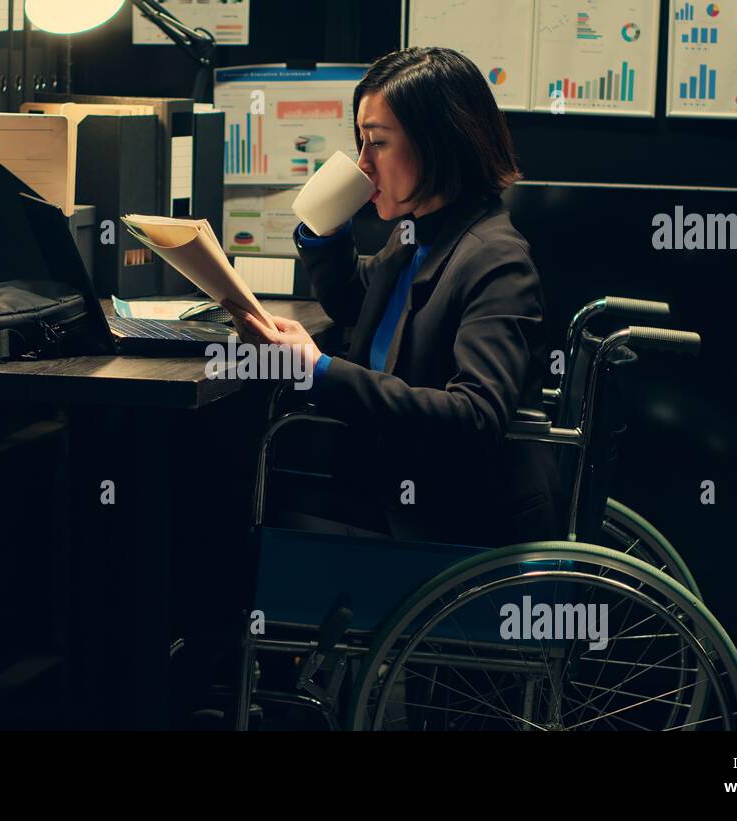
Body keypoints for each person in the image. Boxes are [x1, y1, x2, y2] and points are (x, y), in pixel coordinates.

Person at [223, 46, 563, 548]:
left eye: (377, 143)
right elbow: (357, 300)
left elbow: (475, 417)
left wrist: (318, 370)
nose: (362, 164)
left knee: (238, 517)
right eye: (361, 142)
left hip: (448, 520)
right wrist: (323, 219)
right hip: (392, 489)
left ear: (438, 142)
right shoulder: (417, 234)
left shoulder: (496, 261)